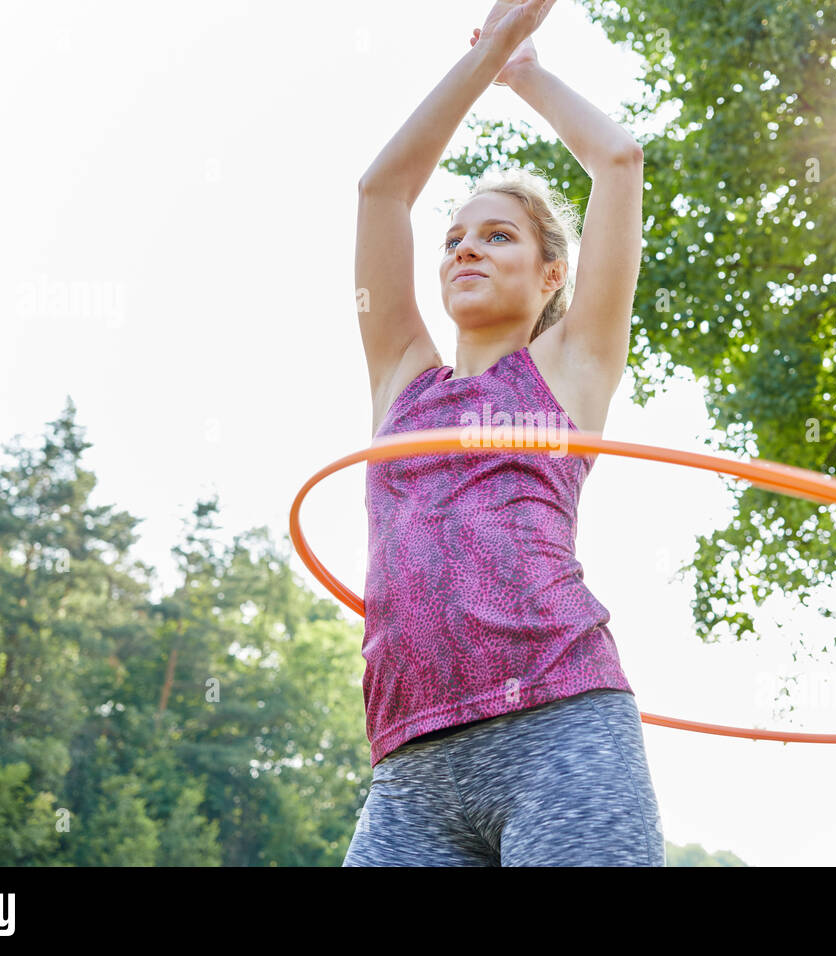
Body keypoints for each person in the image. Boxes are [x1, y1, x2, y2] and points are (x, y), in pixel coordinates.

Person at [346, 0, 661, 866]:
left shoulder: (570, 369)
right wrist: (482, 58)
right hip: (410, 766)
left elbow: (620, 161)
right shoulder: (400, 379)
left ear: (552, 271)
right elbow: (382, 192)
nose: (464, 251)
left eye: (497, 235)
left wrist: (522, 70)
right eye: (453, 240)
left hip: (559, 729)